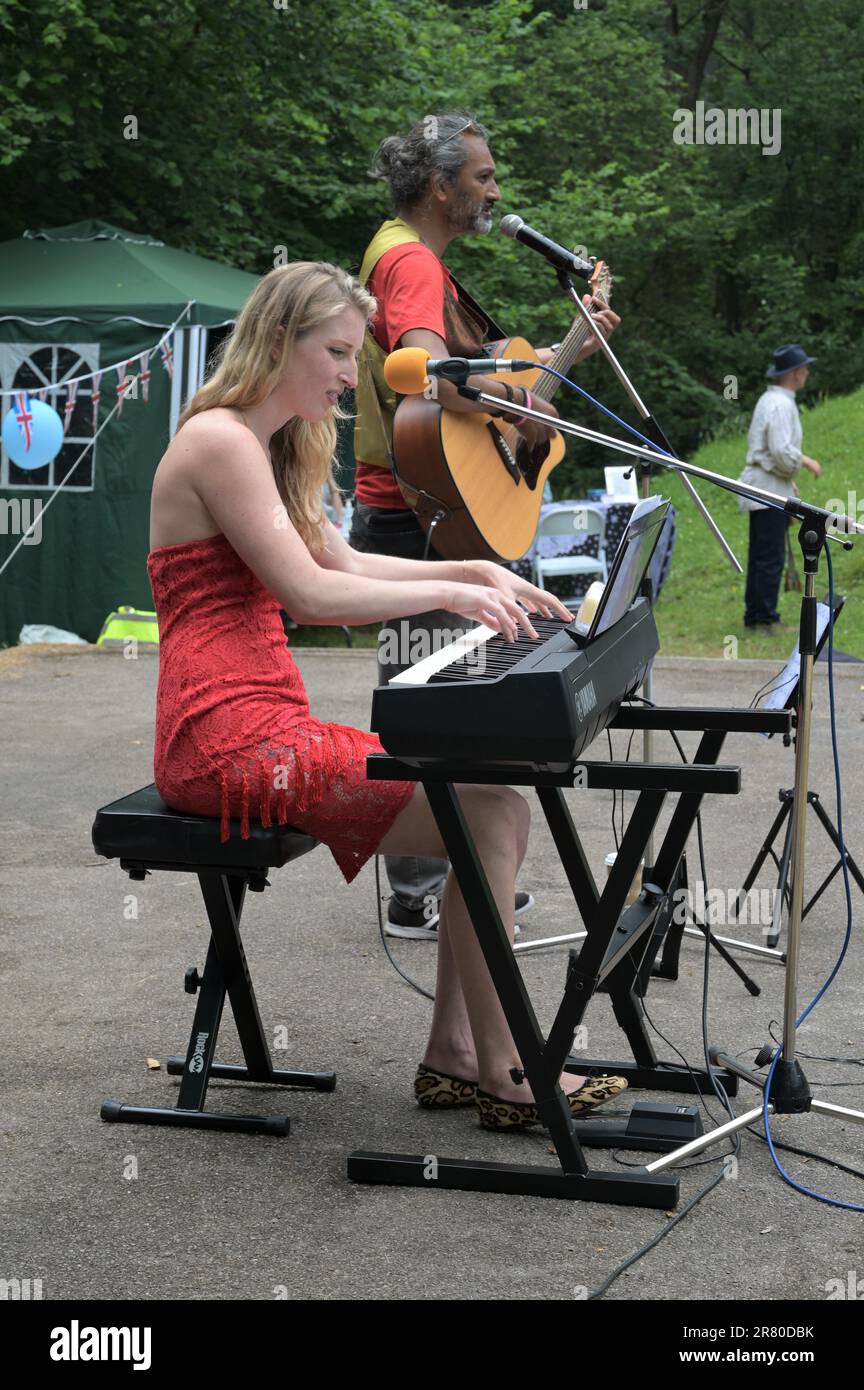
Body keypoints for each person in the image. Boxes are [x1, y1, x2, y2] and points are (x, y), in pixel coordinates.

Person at [146, 260, 627, 1130]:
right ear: (277, 341)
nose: (344, 373)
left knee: (497, 806)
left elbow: (350, 561)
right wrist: (452, 595)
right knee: (487, 816)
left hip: (265, 724)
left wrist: (472, 568)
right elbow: (313, 597)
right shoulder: (219, 440)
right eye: (333, 351)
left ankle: (455, 1055)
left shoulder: (269, 443)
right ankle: (509, 1077)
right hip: (222, 743)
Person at [351, 111, 621, 939]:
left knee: (456, 696)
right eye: (482, 176)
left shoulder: (414, 257)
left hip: (429, 513)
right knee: (429, 702)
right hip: (413, 516)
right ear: (441, 187)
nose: (496, 190)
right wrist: (513, 401)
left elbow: (493, 398)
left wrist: (569, 347)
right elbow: (432, 377)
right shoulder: (410, 262)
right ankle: (419, 891)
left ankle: (467, 869)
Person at [739, 344, 822, 633]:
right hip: (766, 489)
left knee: (764, 555)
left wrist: (789, 481)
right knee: (769, 557)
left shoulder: (774, 400)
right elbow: (780, 452)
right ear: (796, 373)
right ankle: (763, 619)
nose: (807, 373)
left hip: (769, 485)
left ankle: (758, 616)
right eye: (805, 368)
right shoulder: (779, 404)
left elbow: (774, 454)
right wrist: (801, 464)